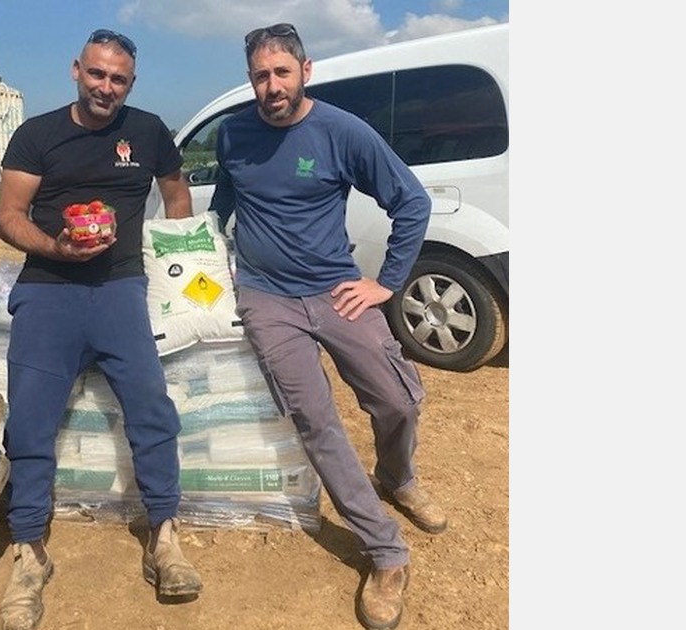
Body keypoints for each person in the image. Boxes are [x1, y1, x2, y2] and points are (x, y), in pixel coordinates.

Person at [208, 23, 447, 630]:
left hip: (336, 290)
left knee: (397, 397)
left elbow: (411, 202)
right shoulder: (233, 134)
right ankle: (386, 552)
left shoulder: (342, 132)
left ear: (305, 70)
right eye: (260, 74)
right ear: (251, 78)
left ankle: (398, 475)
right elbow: (227, 202)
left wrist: (386, 283)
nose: (271, 85)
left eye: (281, 72)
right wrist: (213, 259)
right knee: (317, 421)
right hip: (267, 300)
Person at [0, 28, 202, 630]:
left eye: (118, 79)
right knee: (30, 418)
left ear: (129, 84)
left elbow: (176, 193)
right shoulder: (38, 135)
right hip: (49, 288)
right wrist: (54, 244)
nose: (106, 87)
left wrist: (172, 264)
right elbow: (8, 216)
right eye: (97, 74)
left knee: (151, 407)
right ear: (76, 70)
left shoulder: (150, 131)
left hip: (119, 288)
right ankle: (28, 551)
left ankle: (165, 535)